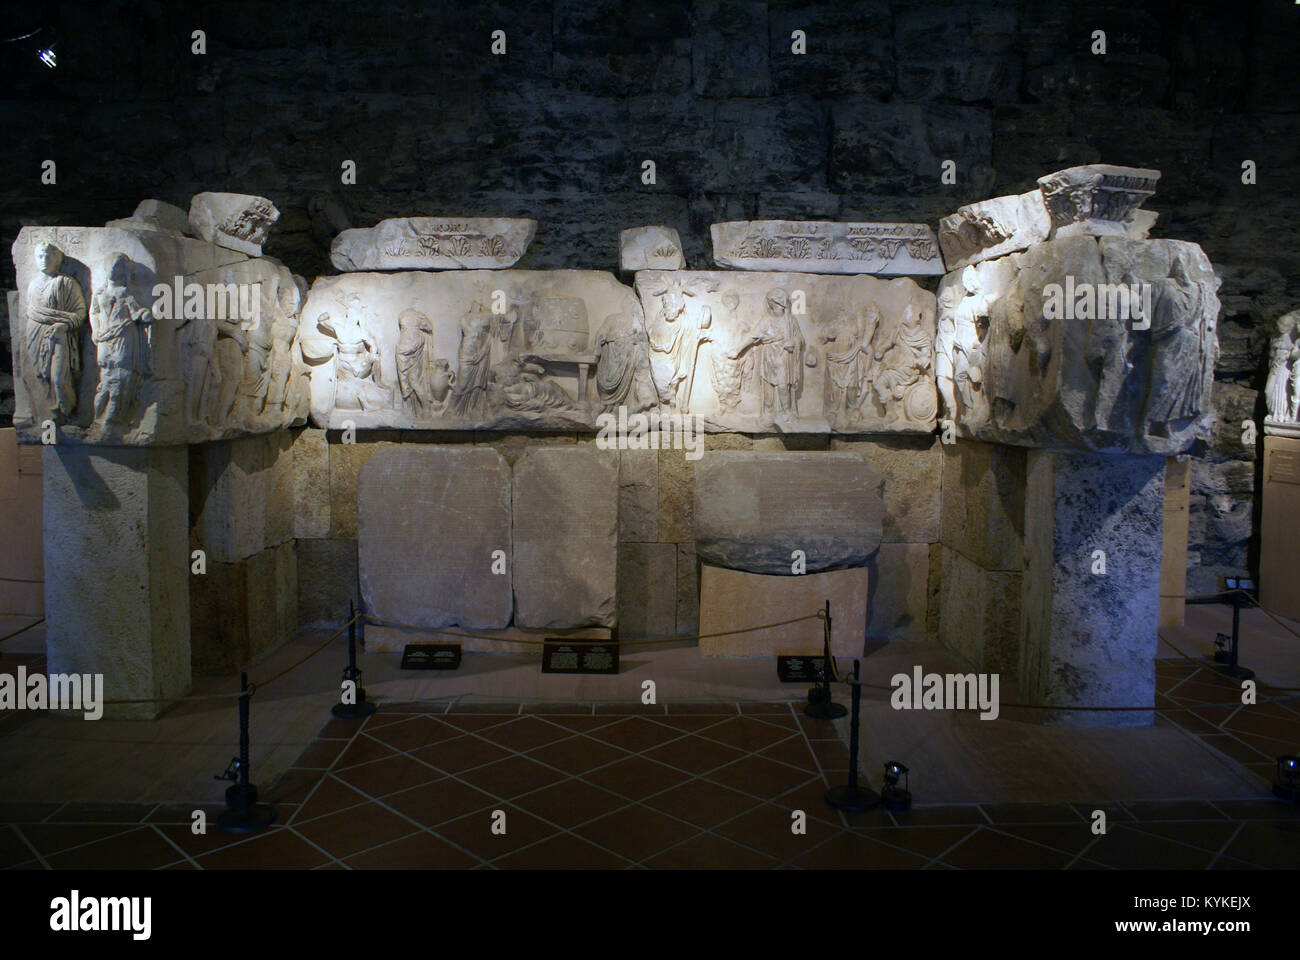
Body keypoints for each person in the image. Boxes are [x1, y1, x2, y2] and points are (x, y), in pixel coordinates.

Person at [88, 254, 153, 430]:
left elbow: (136, 312)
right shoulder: (99, 293)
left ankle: (112, 420)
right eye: (110, 265)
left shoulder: (126, 293)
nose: (112, 269)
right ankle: (99, 418)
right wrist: (95, 330)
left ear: (122, 270)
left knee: (121, 376)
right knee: (105, 378)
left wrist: (145, 314)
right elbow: (93, 313)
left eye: (116, 266)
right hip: (104, 337)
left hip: (124, 335)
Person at [24, 242, 86, 419]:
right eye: (40, 256)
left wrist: (64, 325)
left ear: (57, 259)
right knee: (41, 376)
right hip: (35, 332)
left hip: (59, 334)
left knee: (59, 378)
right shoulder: (33, 284)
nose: (43, 260)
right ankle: (52, 418)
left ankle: (67, 412)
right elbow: (32, 311)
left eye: (48, 256)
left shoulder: (66, 282)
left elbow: (80, 312)